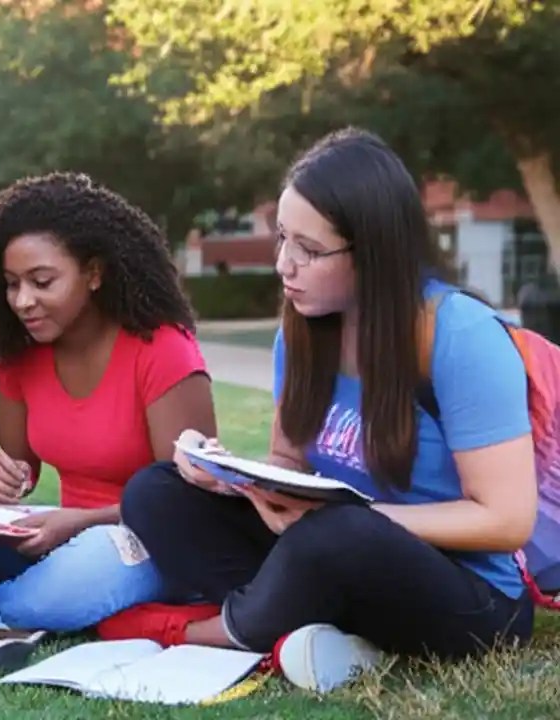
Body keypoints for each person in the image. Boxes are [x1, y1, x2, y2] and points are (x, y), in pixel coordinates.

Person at [120, 128, 538, 692]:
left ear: (373, 253)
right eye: (282, 240)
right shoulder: (301, 335)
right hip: (332, 549)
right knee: (156, 491)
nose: (284, 266)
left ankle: (217, 631)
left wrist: (349, 519)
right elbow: (287, 461)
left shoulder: (460, 336)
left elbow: (506, 520)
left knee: (337, 537)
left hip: (469, 595)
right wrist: (236, 481)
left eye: (310, 251)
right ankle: (313, 629)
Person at [0, 172, 217, 675]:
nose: (22, 300)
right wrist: (10, 480)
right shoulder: (18, 354)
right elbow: (21, 464)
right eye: (11, 285)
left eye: (42, 281)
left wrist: (77, 521)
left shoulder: (162, 349)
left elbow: (188, 499)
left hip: (143, 542)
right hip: (58, 535)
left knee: (91, 561)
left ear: (93, 273)